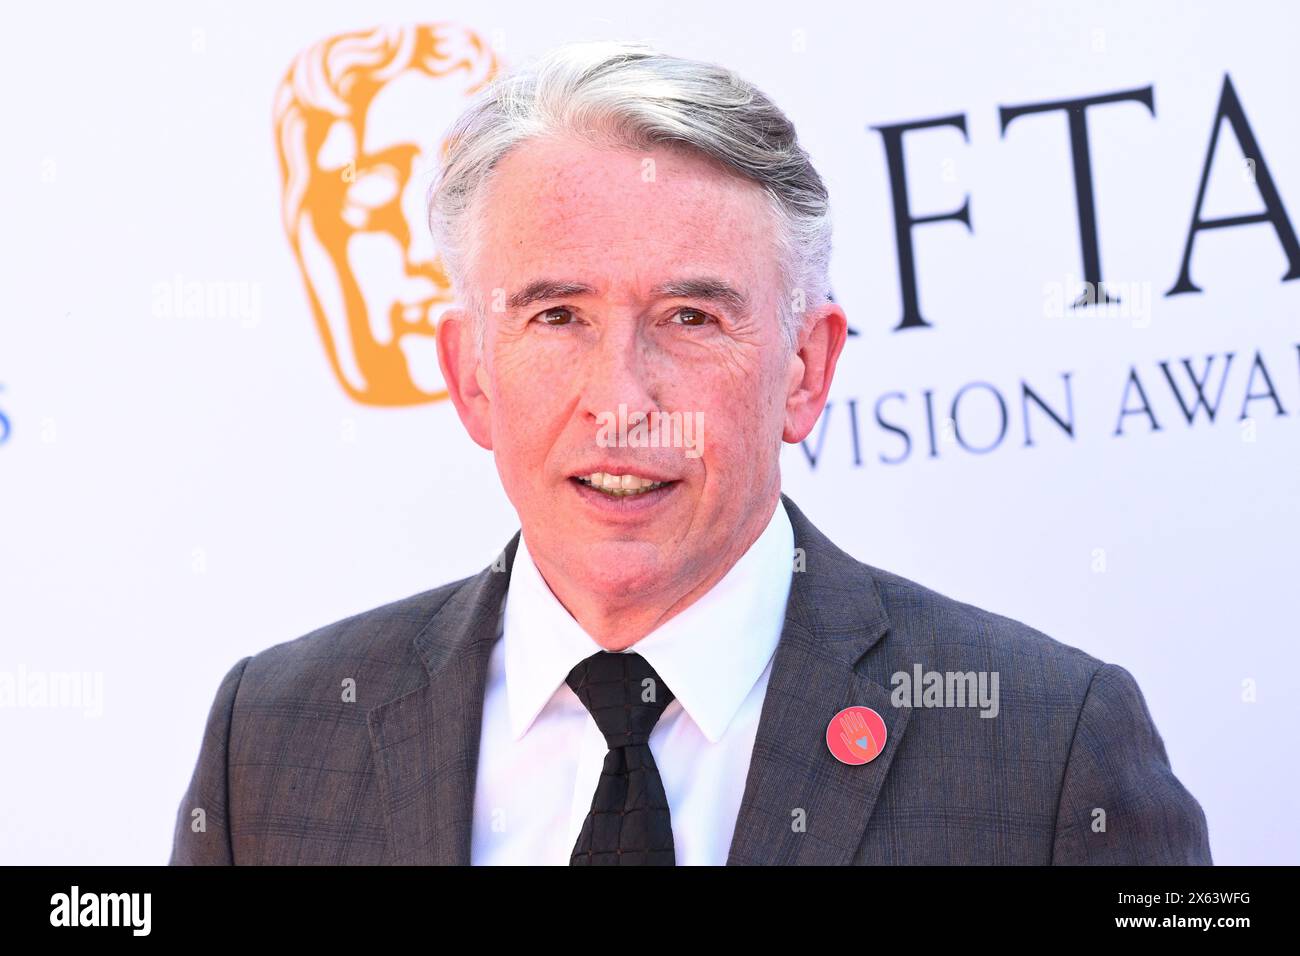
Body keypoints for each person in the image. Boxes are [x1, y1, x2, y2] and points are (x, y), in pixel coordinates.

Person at [170, 39, 1211, 865]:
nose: (622, 401)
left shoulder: (1048, 748)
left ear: (806, 369)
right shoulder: (272, 736)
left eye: (689, 318)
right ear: (471, 371)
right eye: (556, 315)